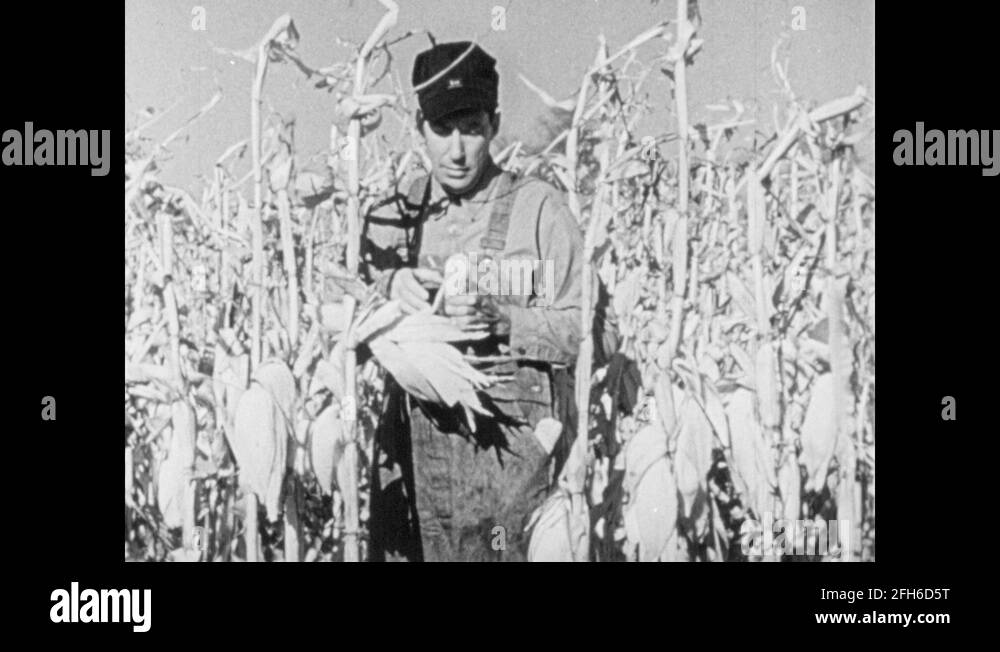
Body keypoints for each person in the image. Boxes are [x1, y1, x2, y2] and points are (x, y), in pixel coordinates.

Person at [361, 41, 588, 562]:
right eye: (442, 130)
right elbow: (335, 326)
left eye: (472, 128)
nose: (457, 150)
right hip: (412, 476)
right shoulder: (393, 219)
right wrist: (384, 292)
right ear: (420, 127)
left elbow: (591, 332)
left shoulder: (539, 211)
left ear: (494, 123)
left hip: (511, 484)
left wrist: (506, 320)